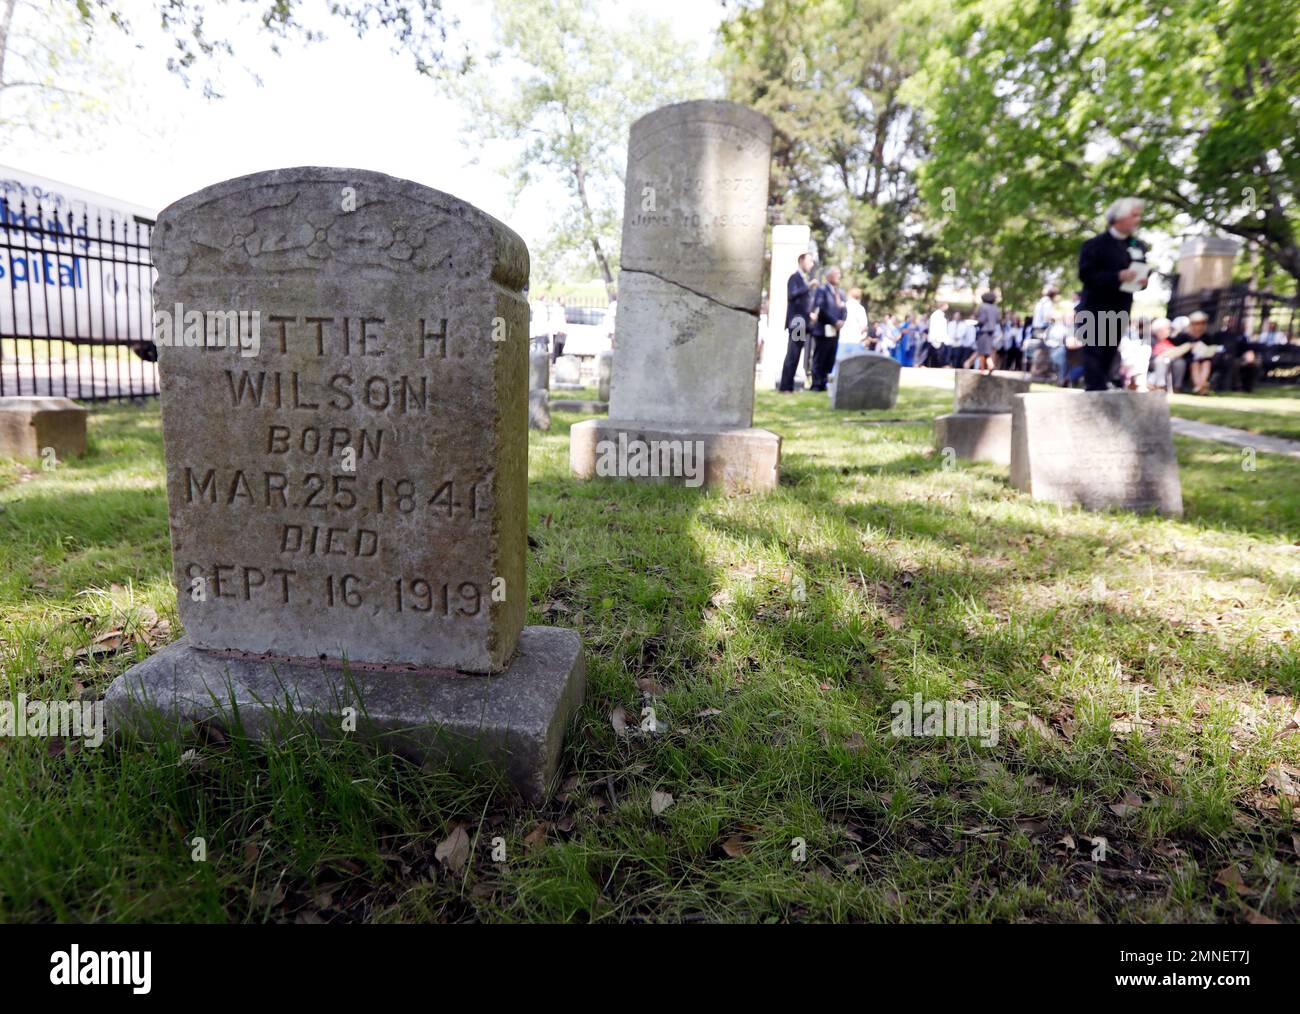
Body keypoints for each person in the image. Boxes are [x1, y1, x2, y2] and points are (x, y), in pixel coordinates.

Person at [1077, 197, 1149, 390]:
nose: (1138, 219)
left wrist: (1142, 281)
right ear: (1119, 217)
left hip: (1120, 307)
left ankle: (1102, 390)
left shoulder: (1137, 246)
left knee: (1109, 352)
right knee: (1093, 351)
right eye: (1134, 215)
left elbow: (1141, 272)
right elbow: (1086, 275)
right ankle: (1094, 392)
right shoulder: (1094, 245)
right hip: (1094, 307)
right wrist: (1116, 276)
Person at [778, 253, 816, 392]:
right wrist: (808, 286)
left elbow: (802, 304)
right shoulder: (795, 278)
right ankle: (785, 387)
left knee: (797, 355)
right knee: (793, 354)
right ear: (801, 261)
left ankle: (789, 386)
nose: (812, 264)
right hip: (797, 322)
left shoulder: (803, 279)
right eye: (810, 261)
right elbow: (792, 295)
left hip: (803, 322)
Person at [810, 266, 848, 390]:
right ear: (829, 276)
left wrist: (842, 321)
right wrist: (834, 322)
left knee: (830, 357)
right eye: (836, 273)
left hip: (835, 332)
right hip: (823, 330)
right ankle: (816, 383)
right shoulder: (821, 290)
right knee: (820, 356)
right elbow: (821, 309)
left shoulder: (840, 293)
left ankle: (824, 382)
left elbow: (844, 309)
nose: (839, 276)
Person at [1211, 314, 1258, 393]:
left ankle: (1248, 388)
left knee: (1254, 364)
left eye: (1234, 322)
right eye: (1230, 321)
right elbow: (1214, 348)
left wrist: (1250, 357)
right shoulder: (1219, 335)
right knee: (1233, 362)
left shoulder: (1241, 336)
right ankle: (1237, 386)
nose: (1232, 323)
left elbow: (1247, 349)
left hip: (1239, 357)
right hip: (1223, 358)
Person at [1148, 317, 1188, 392]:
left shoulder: (1169, 340)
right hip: (1153, 363)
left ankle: (1177, 387)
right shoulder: (1151, 340)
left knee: (1180, 362)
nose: (1169, 331)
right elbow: (1149, 356)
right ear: (1160, 329)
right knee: (1161, 361)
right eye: (1168, 328)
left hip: (1170, 362)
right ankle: (1160, 385)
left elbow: (1174, 350)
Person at [974, 291, 999, 372]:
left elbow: (982, 319)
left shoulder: (983, 306)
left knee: (981, 351)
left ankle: (982, 368)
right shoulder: (995, 308)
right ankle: (990, 365)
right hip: (991, 331)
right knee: (987, 350)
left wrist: (977, 322)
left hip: (984, 331)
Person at [924, 303, 947, 368]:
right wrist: (935, 337)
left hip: (939, 338)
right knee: (933, 355)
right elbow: (934, 327)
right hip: (935, 338)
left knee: (937, 356)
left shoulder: (940, 315)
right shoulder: (936, 315)